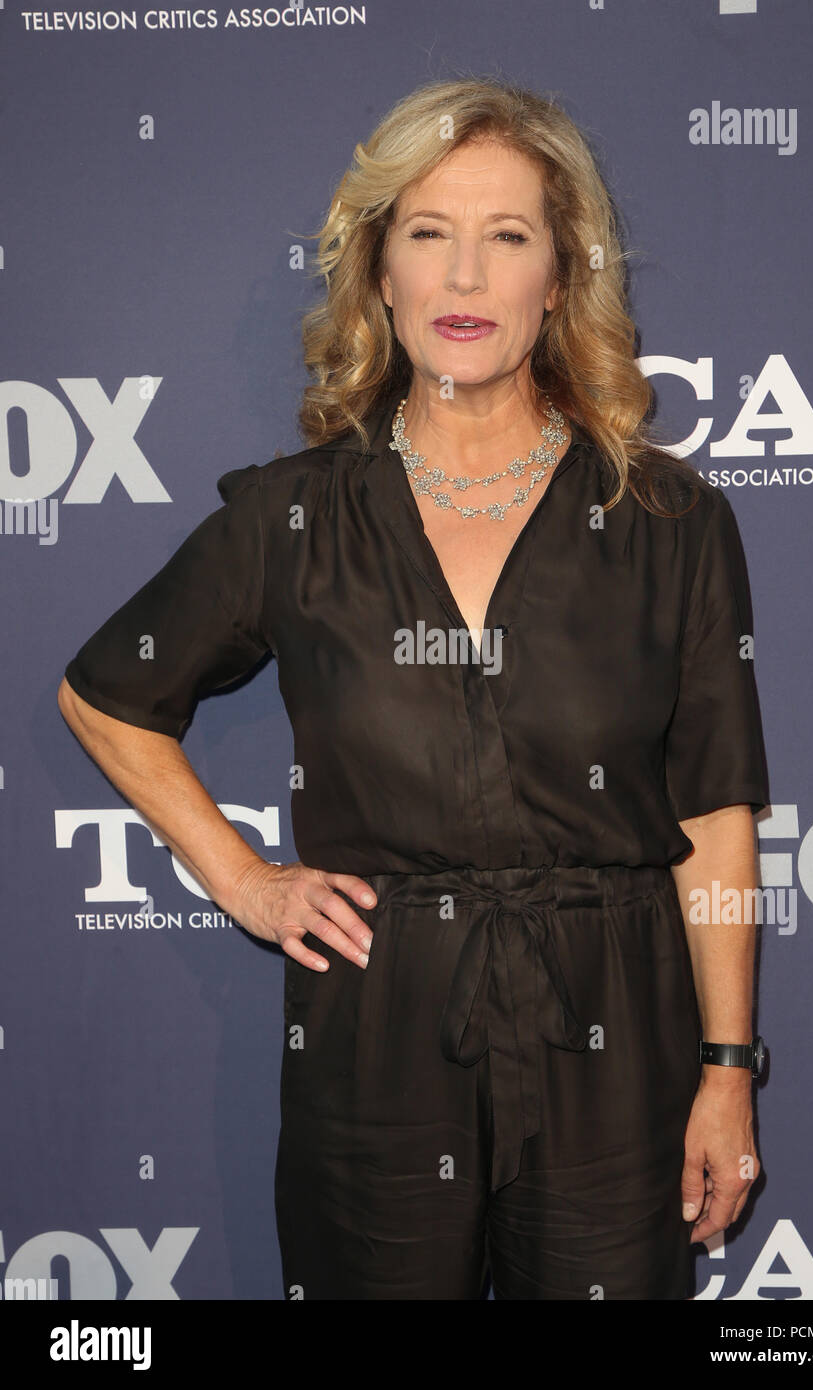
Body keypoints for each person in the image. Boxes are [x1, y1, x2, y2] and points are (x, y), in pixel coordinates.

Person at [58, 77, 771, 1301]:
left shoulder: (668, 518)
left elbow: (711, 819)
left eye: (507, 239)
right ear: (377, 273)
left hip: (614, 1038)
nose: (463, 279)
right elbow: (106, 694)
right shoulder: (296, 514)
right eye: (427, 235)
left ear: (560, 279)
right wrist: (243, 877)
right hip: (376, 1030)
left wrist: (724, 1068)